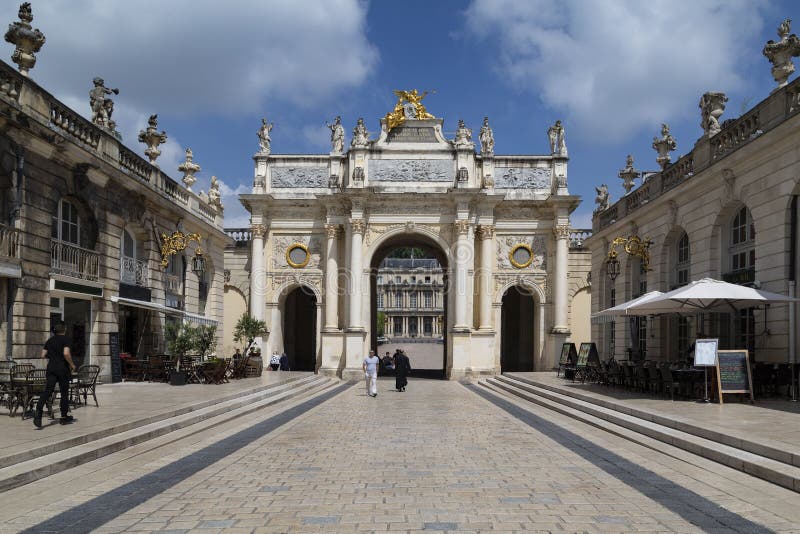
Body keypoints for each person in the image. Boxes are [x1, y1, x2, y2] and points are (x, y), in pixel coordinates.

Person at [34, 323, 76, 428]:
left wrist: (53, 356)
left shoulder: (50, 341)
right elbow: (66, 353)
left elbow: (43, 355)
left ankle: (38, 412)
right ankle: (64, 416)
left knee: (48, 390)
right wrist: (72, 365)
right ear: (64, 330)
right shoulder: (66, 340)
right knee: (64, 392)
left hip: (51, 368)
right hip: (62, 369)